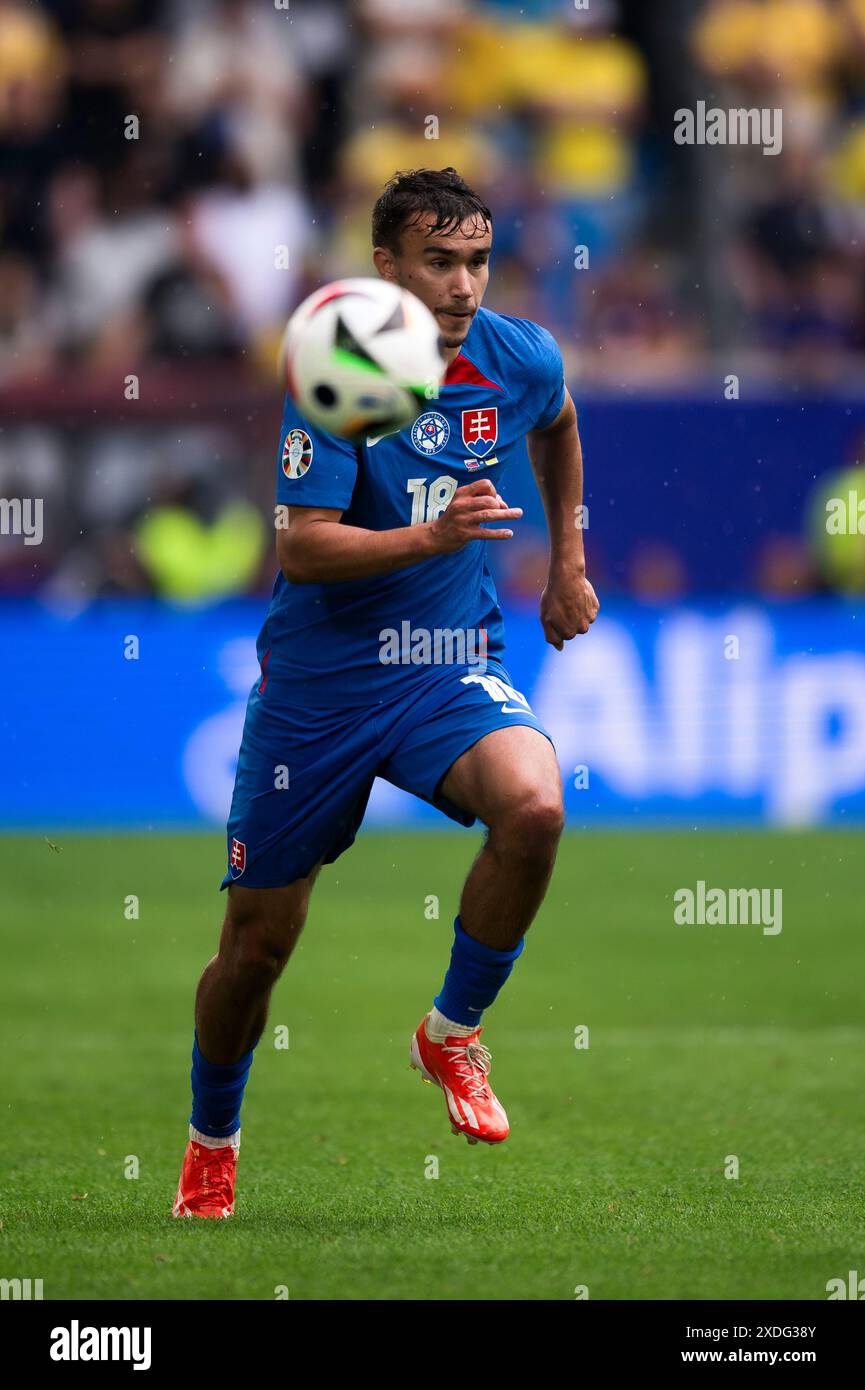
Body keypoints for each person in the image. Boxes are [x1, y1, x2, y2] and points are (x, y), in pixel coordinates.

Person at [172, 167, 599, 1218]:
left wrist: (566, 560)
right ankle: (211, 1138)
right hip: (318, 687)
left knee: (535, 803)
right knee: (257, 946)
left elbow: (557, 419)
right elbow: (304, 549)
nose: (461, 286)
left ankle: (452, 1030)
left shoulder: (516, 356)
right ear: (386, 267)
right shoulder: (339, 372)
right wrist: (433, 533)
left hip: (444, 660)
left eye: (475, 262)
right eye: (438, 262)